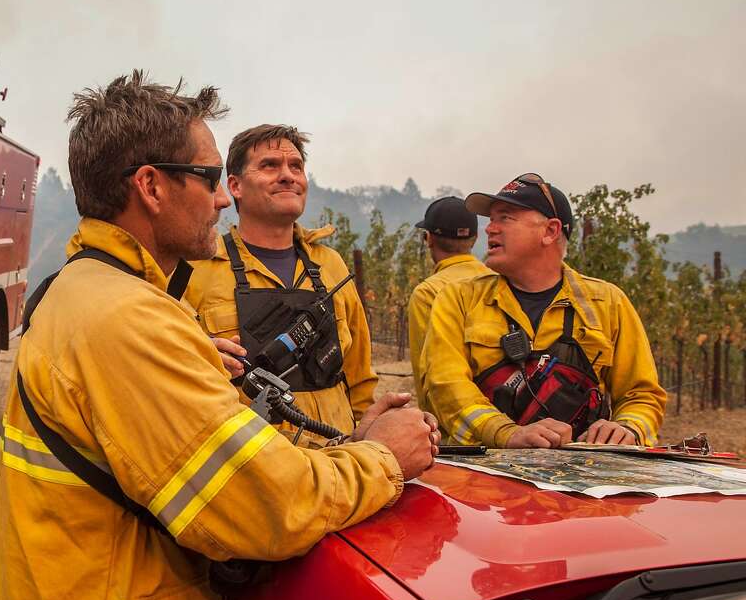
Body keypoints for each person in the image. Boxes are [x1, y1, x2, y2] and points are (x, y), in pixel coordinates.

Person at [0, 73, 437, 600]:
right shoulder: (132, 321)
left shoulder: (90, 287)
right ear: (152, 186)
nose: (221, 200)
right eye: (211, 178)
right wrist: (381, 457)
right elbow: (263, 507)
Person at [422, 173, 666, 449]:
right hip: (482, 477)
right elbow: (446, 385)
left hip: (581, 478)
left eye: (505, 218)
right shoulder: (458, 300)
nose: (490, 229)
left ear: (550, 231)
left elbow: (642, 394)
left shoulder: (608, 303)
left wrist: (627, 428)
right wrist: (505, 433)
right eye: (491, 220)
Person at [184, 124, 379, 448]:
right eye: (270, 165)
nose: (288, 176)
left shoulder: (331, 266)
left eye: (296, 167)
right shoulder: (198, 268)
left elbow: (359, 379)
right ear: (235, 186)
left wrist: (369, 441)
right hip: (252, 468)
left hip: (342, 464)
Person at [407, 196, 491, 410]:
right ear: (475, 238)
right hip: (504, 421)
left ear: (429, 239)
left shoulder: (428, 293)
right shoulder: (497, 282)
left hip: (456, 429)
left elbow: (427, 373)